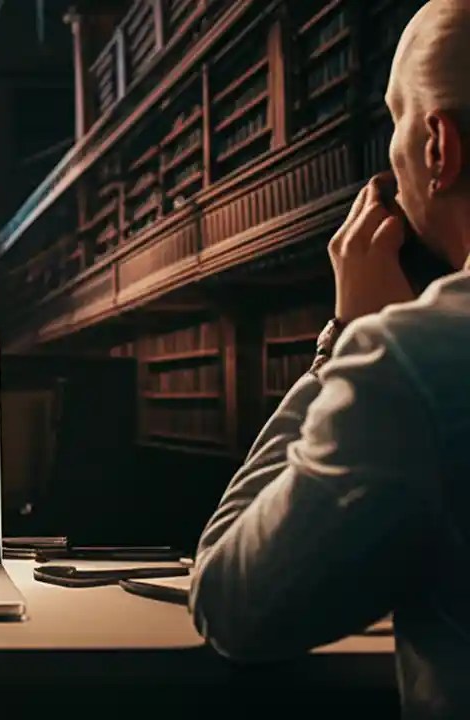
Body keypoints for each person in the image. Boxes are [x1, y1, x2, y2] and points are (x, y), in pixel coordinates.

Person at [189, 1, 470, 717]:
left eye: (394, 121)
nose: (392, 158)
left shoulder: (413, 360)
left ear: (439, 146)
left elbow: (232, 605)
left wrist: (346, 337)